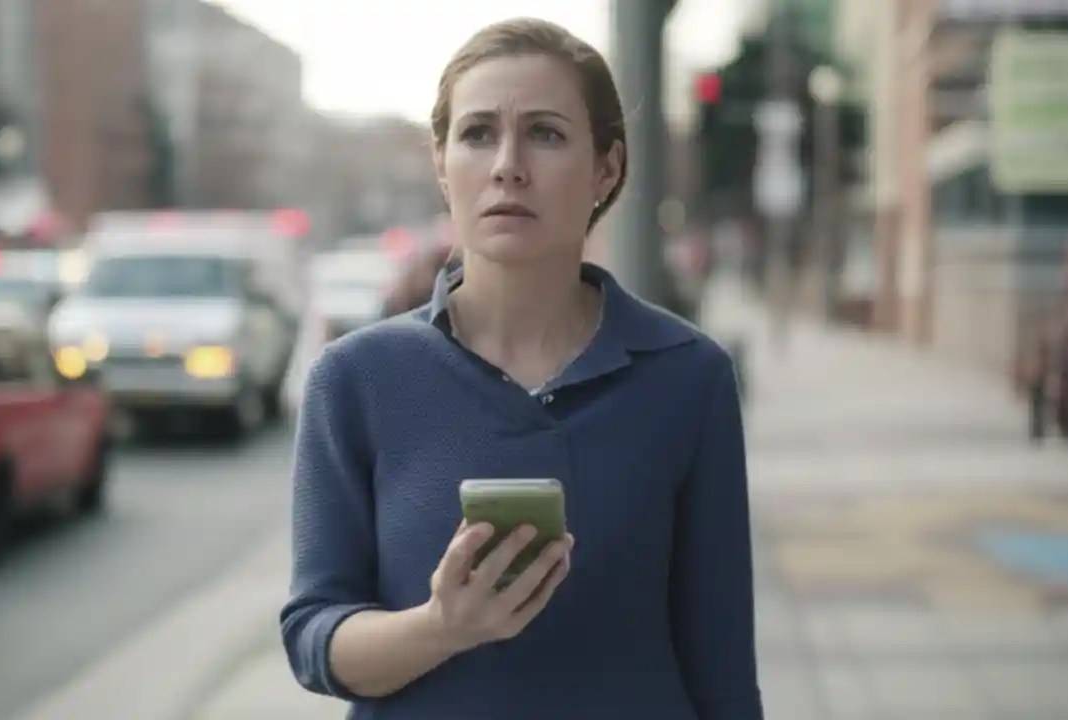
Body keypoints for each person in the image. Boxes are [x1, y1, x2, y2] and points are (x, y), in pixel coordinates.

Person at [282, 18, 762, 719]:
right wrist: (441, 627)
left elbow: (723, 674)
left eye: (545, 133)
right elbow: (313, 639)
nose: (508, 165)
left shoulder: (689, 376)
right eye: (478, 134)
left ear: (606, 168)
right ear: (441, 163)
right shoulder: (354, 378)